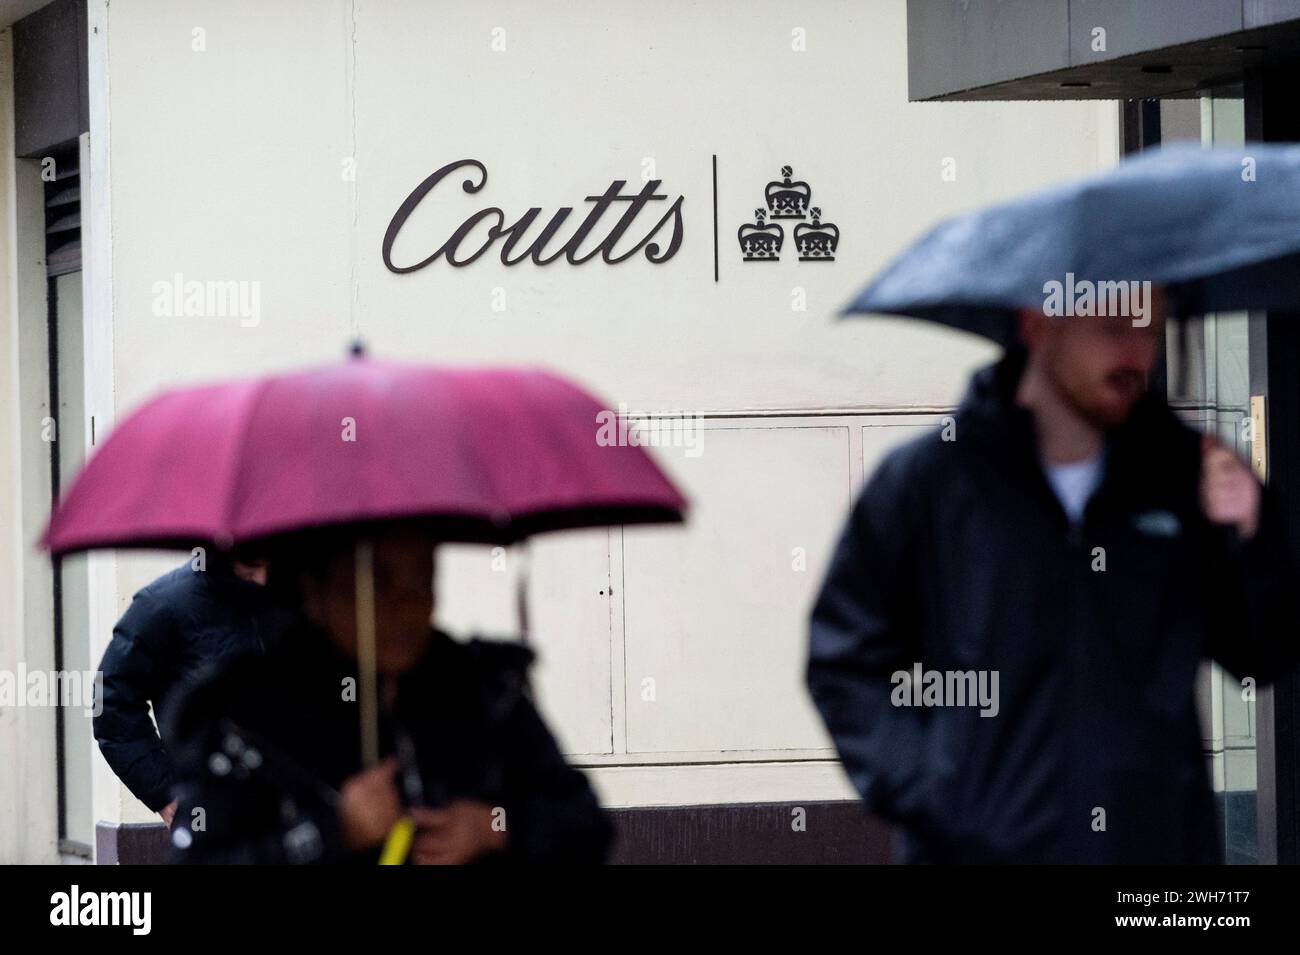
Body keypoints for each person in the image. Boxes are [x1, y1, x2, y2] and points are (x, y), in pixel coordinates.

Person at [807, 297, 1300, 863]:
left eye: (1151, 331)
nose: (1137, 354)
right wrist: (930, 791)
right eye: (1114, 328)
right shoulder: (932, 482)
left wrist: (1253, 535)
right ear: (1038, 325)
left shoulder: (1182, 476)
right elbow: (844, 658)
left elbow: (1261, 653)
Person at [165, 525, 612, 864]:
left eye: (424, 579)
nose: (407, 606)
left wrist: (495, 827)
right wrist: (334, 830)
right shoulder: (248, 714)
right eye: (376, 583)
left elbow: (587, 826)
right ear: (315, 591)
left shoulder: (483, 690)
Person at [93, 550, 293, 826]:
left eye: (266, 570)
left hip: (303, 809)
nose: (260, 581)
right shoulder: (164, 604)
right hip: (216, 814)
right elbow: (111, 700)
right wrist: (163, 793)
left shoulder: (300, 594)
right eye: (249, 572)